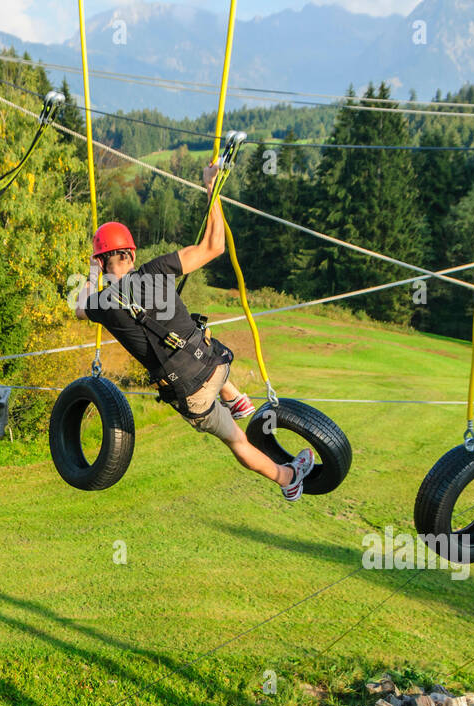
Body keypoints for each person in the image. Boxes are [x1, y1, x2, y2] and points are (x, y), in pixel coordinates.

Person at [73, 164, 314, 500]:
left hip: (190, 395)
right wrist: (210, 188)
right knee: (198, 335)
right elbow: (214, 246)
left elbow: (79, 306)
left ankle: (287, 478)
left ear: (102, 262)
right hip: (216, 365)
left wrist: (90, 271)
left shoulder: (101, 303)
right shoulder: (156, 270)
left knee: (237, 442)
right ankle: (235, 397)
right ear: (131, 254)